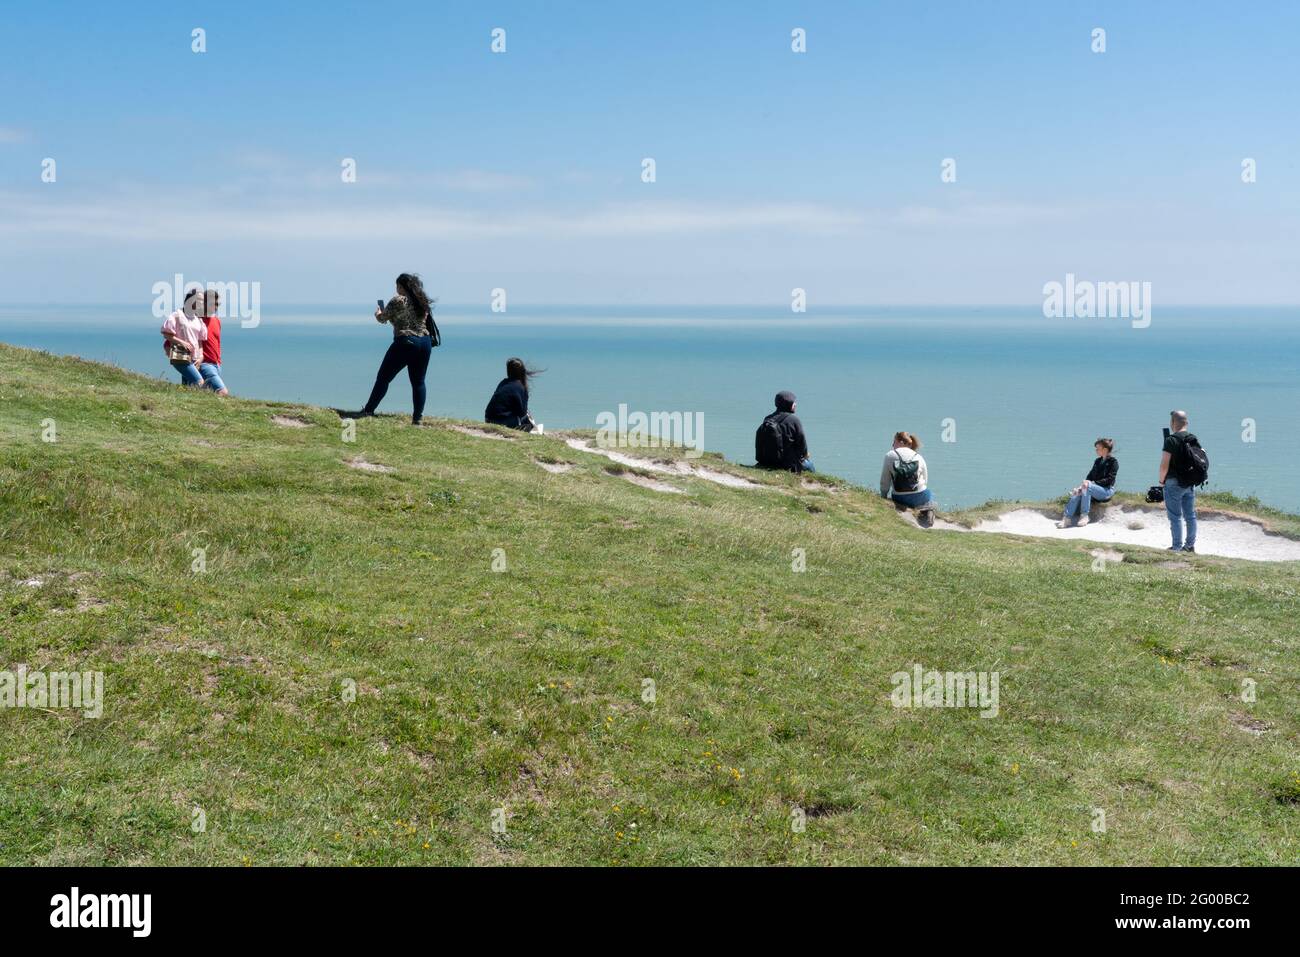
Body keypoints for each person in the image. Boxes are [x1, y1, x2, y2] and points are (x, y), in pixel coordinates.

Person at [355, 273, 435, 425]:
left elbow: (383, 319)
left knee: (383, 378)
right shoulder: (421, 301)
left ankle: (368, 410)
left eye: (397, 286)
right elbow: (415, 321)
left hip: (406, 342)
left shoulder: (398, 300)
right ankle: (417, 419)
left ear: (402, 286)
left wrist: (378, 313)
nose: (396, 288)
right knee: (418, 382)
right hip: (425, 342)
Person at [1159, 409, 1198, 552]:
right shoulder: (1193, 438)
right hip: (1189, 483)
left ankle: (1176, 547)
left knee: (1175, 517)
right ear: (1186, 422)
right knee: (1190, 516)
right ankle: (1189, 546)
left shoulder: (1171, 440)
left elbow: (1164, 464)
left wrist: (1161, 481)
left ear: (1173, 423)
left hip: (1173, 482)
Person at [1056, 438, 1118, 528]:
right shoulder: (1097, 461)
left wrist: (1092, 483)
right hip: (1093, 489)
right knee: (1077, 492)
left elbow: (1110, 480)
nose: (1096, 451)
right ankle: (1066, 519)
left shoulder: (1113, 462)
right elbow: (1090, 476)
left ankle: (1084, 516)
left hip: (1106, 491)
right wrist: (1081, 487)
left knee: (1087, 486)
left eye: (1098, 449)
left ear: (1105, 450)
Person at [880, 431, 934, 527]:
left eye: (894, 442)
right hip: (920, 495)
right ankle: (926, 511)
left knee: (903, 500)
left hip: (900, 497)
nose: (892, 445)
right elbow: (925, 480)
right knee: (927, 494)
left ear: (901, 442)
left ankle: (916, 511)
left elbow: (885, 479)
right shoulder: (918, 457)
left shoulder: (890, 455)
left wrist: (883, 495)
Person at [755, 390, 813, 472]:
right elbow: (802, 445)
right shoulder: (794, 420)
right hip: (786, 464)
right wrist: (805, 456)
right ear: (788, 404)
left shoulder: (768, 418)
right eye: (793, 402)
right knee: (809, 465)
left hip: (768, 461)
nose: (795, 404)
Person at [160, 287, 207, 387]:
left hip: (194, 358)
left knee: (187, 386)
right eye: (199, 300)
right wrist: (181, 342)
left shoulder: (198, 320)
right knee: (199, 382)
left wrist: (201, 356)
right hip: (181, 356)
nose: (201, 303)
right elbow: (166, 333)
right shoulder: (177, 315)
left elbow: (200, 341)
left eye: (202, 301)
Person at [484, 357, 542, 430]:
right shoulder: (520, 387)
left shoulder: (503, 382)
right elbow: (522, 412)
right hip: (501, 421)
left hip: (488, 419)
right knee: (527, 420)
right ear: (522, 371)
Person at [198, 290, 229, 396]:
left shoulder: (216, 320)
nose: (215, 307)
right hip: (205, 364)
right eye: (212, 304)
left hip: (216, 365)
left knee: (205, 393)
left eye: (217, 304)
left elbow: (217, 342)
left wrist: (219, 361)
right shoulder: (197, 320)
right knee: (222, 392)